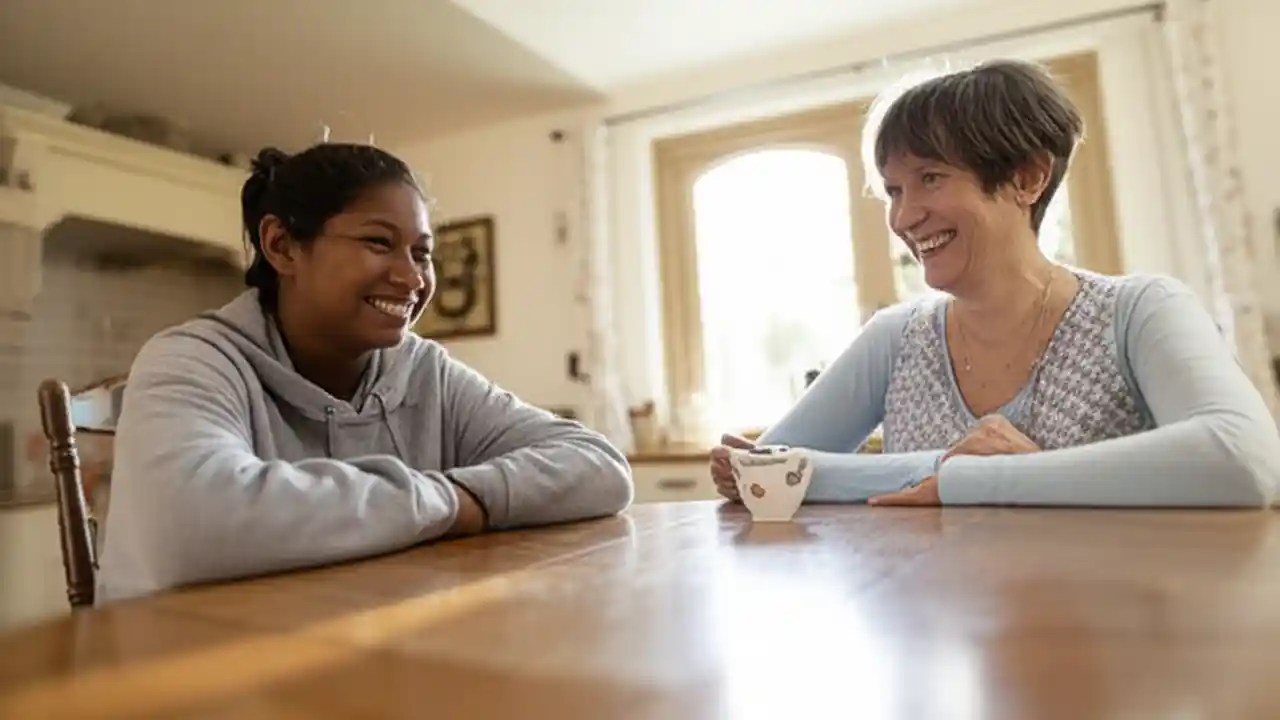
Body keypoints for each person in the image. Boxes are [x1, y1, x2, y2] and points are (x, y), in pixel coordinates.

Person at [711, 60, 1280, 508]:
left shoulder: (1141, 312)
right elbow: (758, 476)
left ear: (1027, 178)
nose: (903, 217)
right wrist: (946, 467)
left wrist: (980, 480)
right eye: (894, 190)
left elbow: (1246, 460)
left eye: (930, 178)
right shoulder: (894, 337)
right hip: (939, 615)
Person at [98, 144, 632, 601]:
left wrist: (461, 498)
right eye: (379, 243)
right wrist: (450, 504)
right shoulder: (191, 360)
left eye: (422, 253)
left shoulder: (425, 371)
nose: (412, 278)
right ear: (281, 245)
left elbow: (599, 467)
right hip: (179, 659)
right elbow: (189, 522)